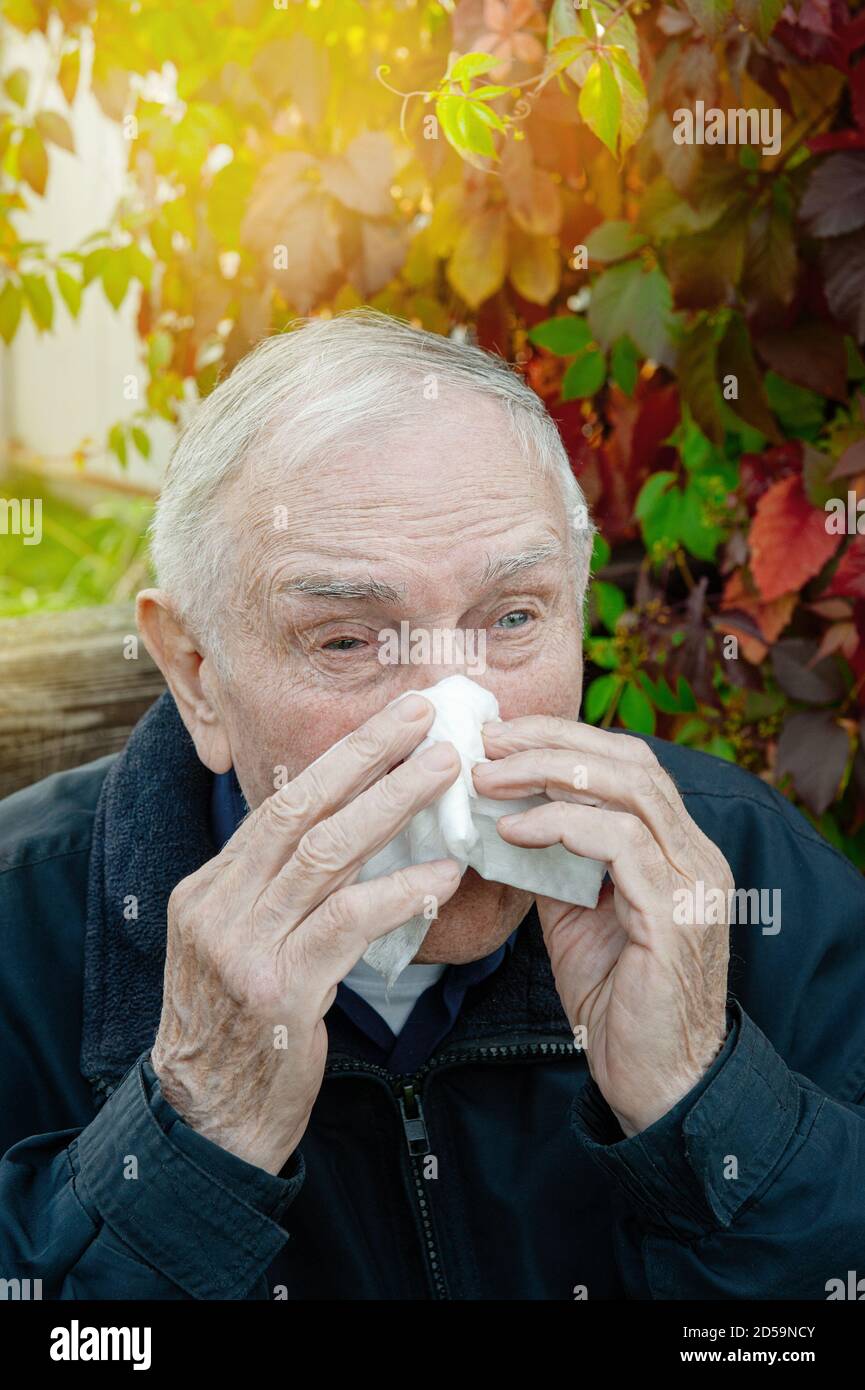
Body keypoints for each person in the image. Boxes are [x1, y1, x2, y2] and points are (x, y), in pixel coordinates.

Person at [1, 311, 863, 1300]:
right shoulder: (23, 933)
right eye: (346, 639)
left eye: (512, 616)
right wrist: (189, 1147)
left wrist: (709, 1113)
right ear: (197, 675)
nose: (455, 724)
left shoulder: (743, 871)